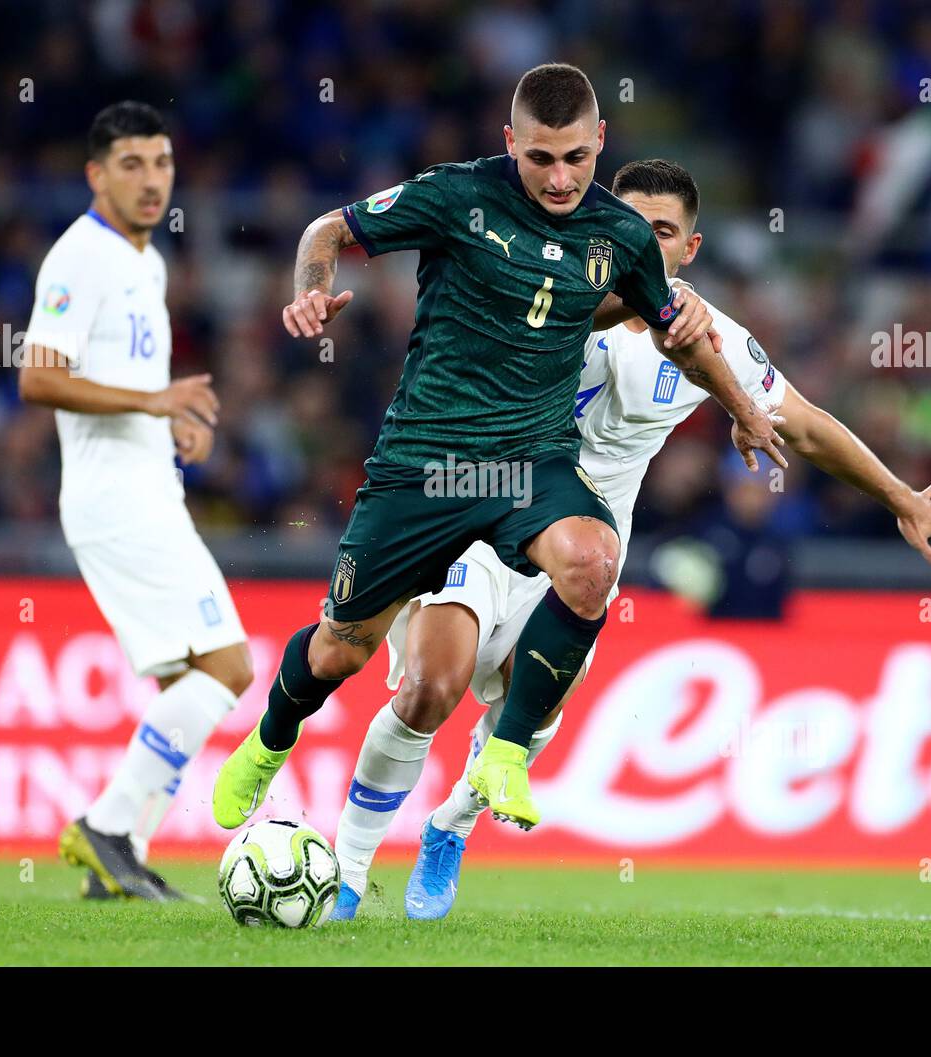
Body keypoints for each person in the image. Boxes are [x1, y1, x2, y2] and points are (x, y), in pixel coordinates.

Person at [329, 158, 931, 920]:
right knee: (430, 685)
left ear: (689, 248)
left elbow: (802, 424)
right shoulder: (546, 293)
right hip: (487, 504)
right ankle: (348, 870)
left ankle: (451, 826)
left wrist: (899, 494)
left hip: (581, 553)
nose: (639, 239)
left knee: (533, 708)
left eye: (660, 231)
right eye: (627, 221)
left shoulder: (710, 339)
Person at [212, 64, 785, 835]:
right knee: (339, 653)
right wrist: (310, 287)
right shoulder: (457, 195)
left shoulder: (619, 232)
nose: (559, 178)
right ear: (510, 140)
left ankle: (505, 749)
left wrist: (745, 409)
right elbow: (329, 230)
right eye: (540, 157)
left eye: (576, 158)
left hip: (530, 462)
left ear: (600, 142)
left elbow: (683, 334)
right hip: (429, 461)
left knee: (592, 562)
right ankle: (269, 738)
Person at [19, 101, 253, 900]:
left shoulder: (145, 261)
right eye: (131, 165)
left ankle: (119, 865)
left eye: (161, 164)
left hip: (146, 486)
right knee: (228, 665)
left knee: (185, 679)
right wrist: (152, 404)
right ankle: (108, 827)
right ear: (96, 175)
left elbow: (128, 384)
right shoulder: (78, 257)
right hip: (115, 502)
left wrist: (168, 426)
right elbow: (38, 375)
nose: (151, 181)